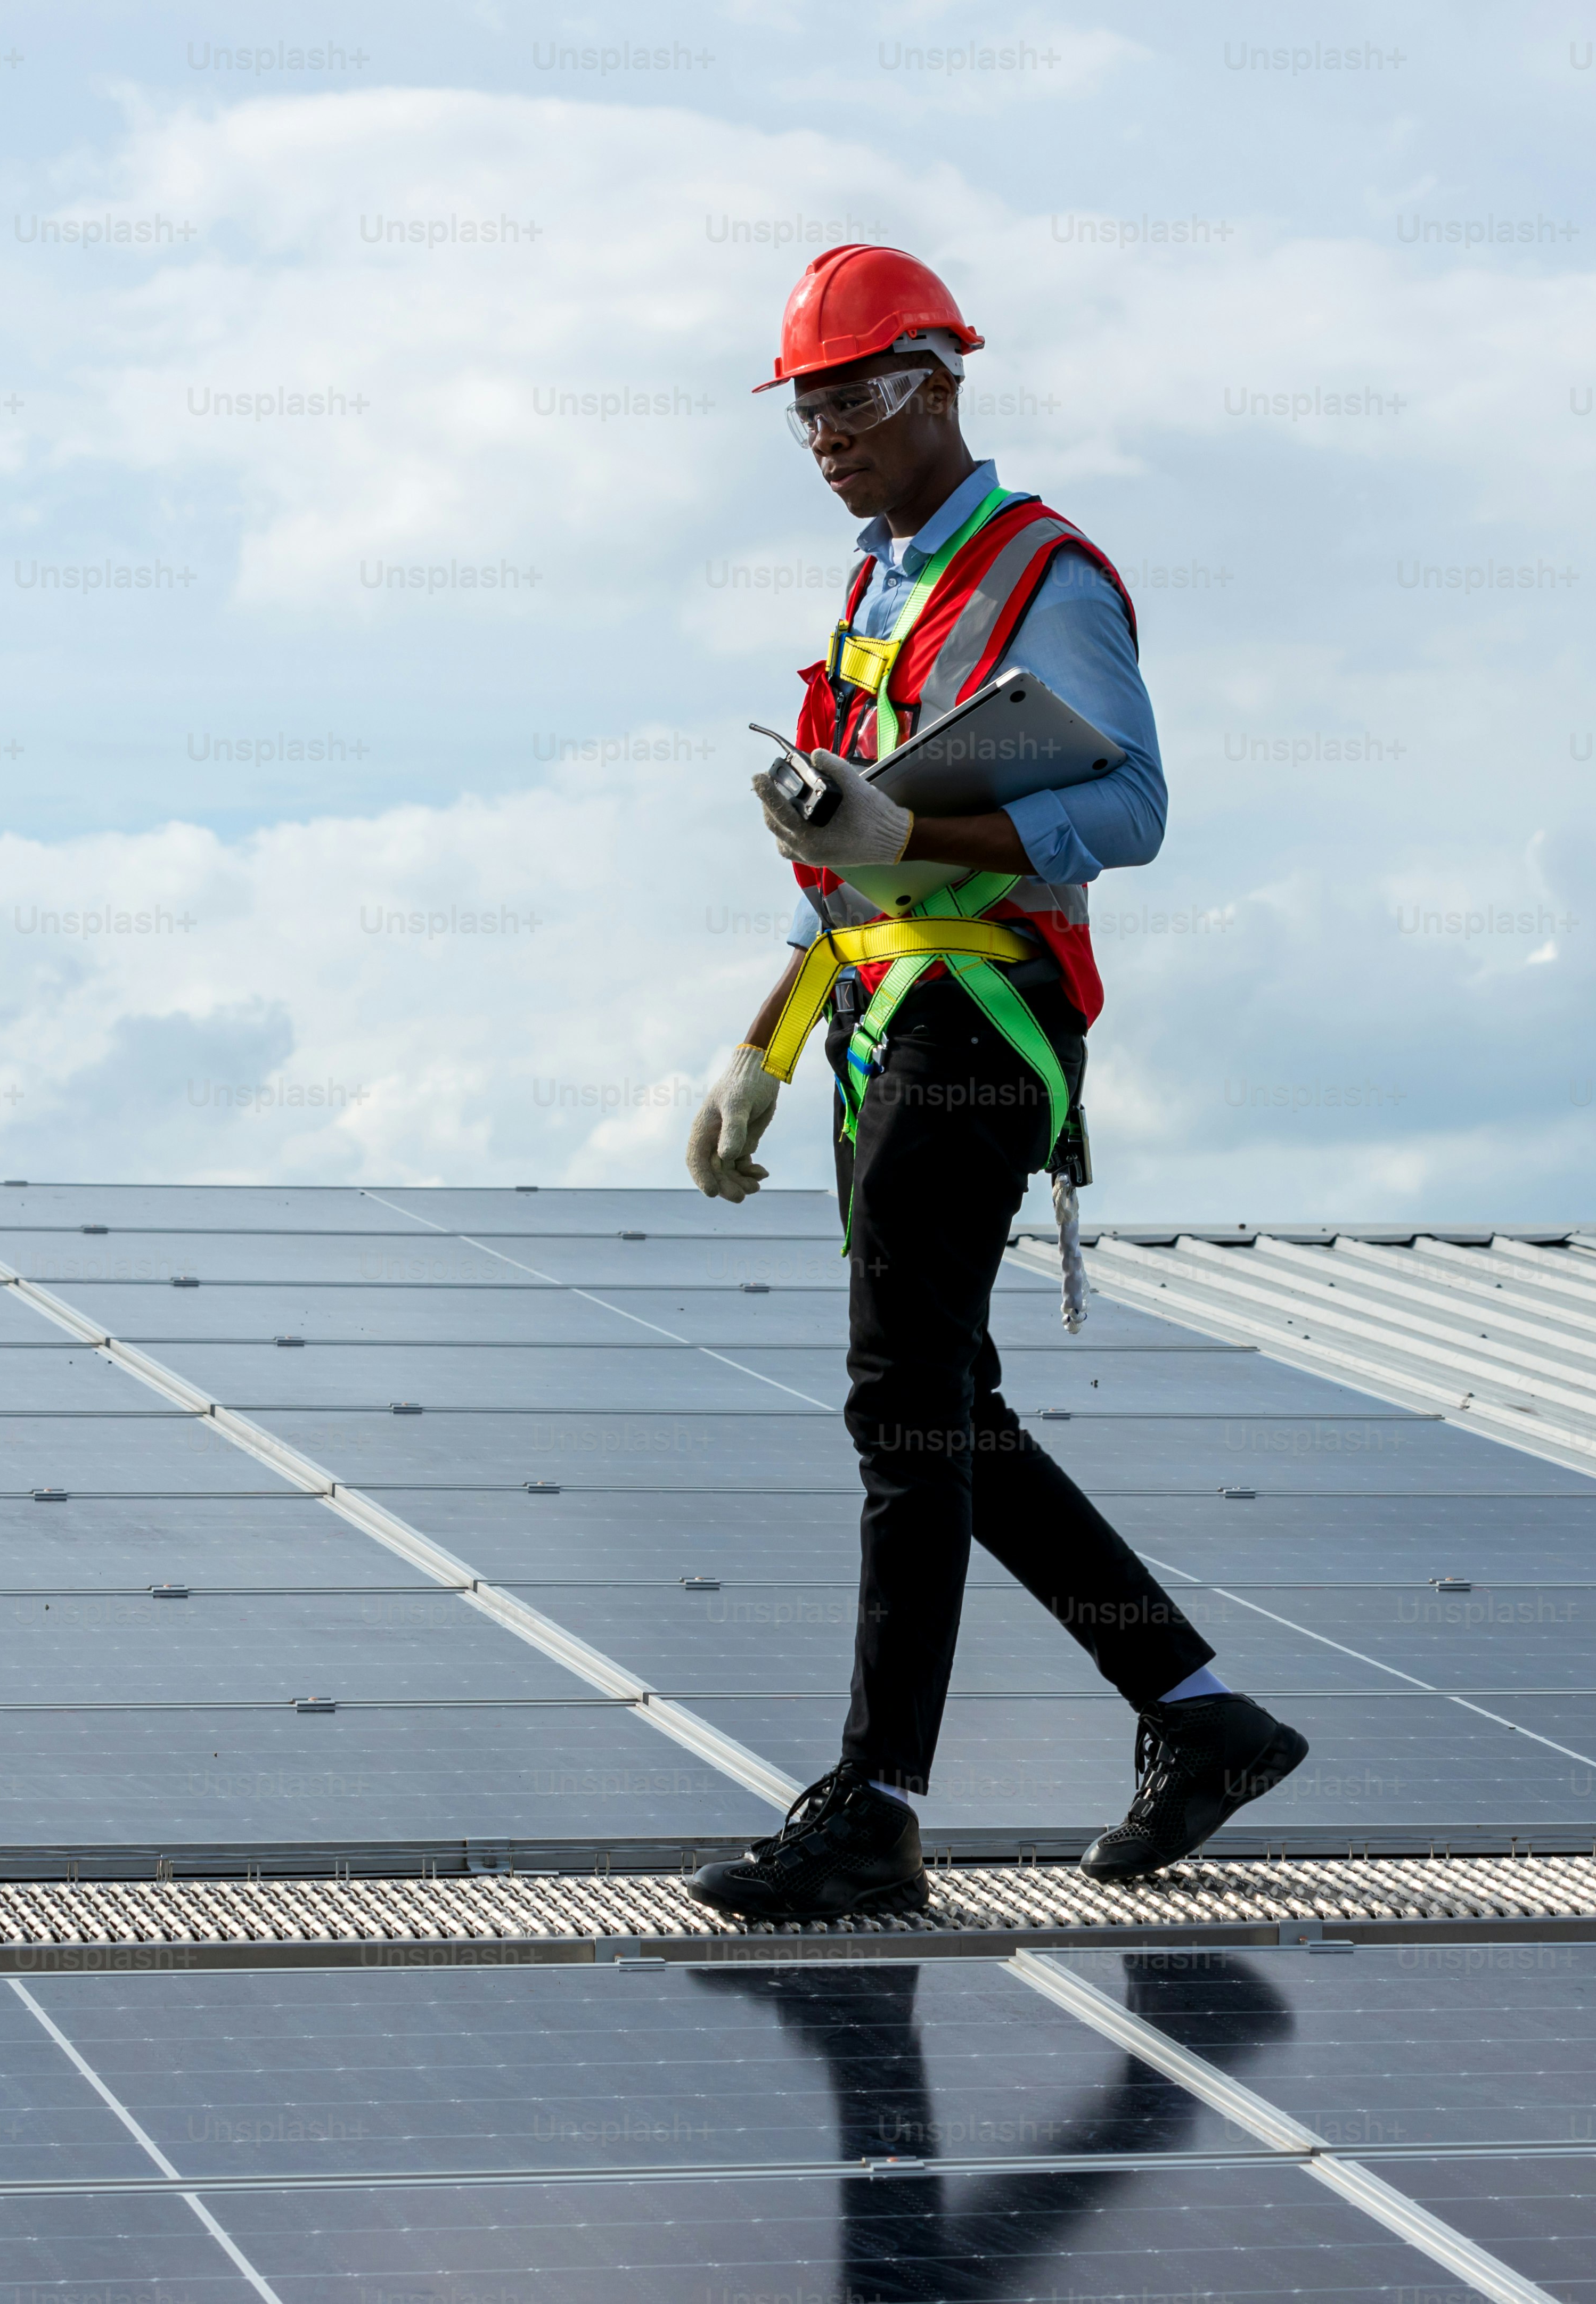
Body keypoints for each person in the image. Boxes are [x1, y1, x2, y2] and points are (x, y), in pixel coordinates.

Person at [680, 245, 1305, 1922]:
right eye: (806, 407)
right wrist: (765, 1039)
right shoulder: (881, 585)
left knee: (902, 1404)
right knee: (954, 1408)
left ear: (942, 384)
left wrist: (912, 832)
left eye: (855, 396)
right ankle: (1198, 1716)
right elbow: (854, 853)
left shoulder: (1042, 576)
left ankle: (876, 1806)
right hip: (885, 1017)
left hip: (983, 1029)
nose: (827, 434)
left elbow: (1132, 813)